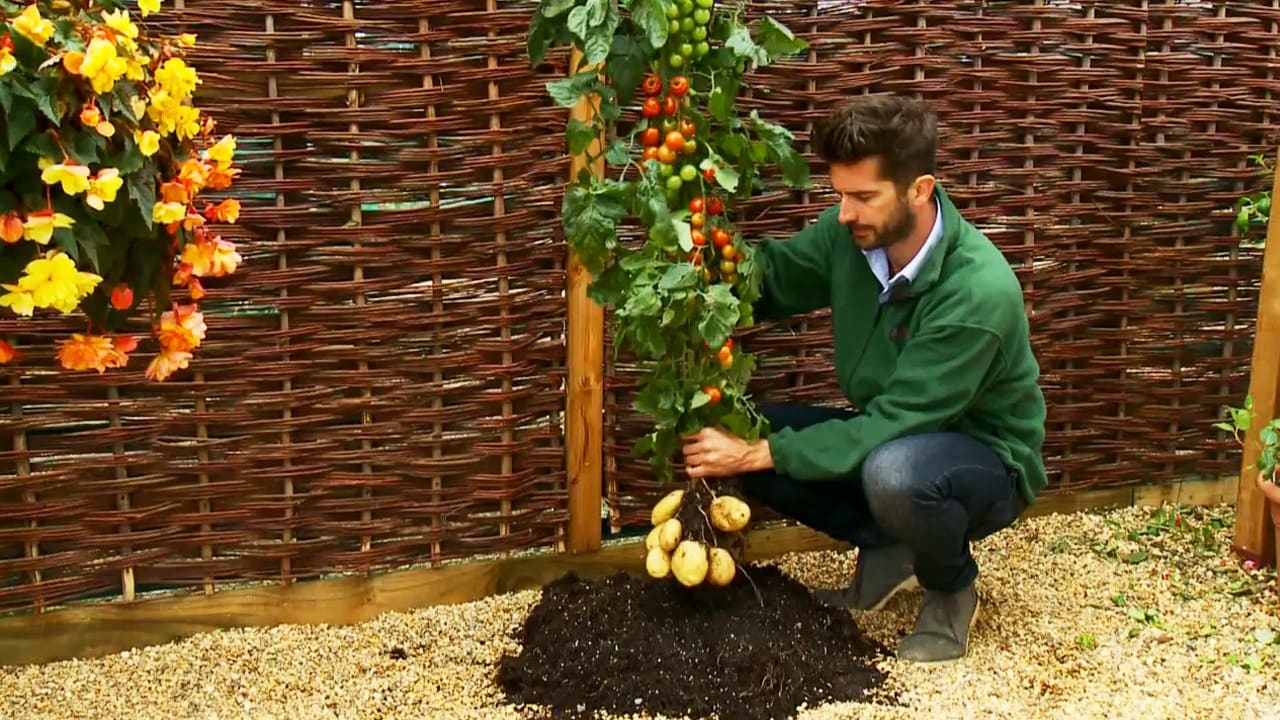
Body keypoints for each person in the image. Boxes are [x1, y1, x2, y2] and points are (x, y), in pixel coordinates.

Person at [679, 93, 1048, 664]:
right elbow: (771, 281)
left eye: (864, 197)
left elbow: (896, 423)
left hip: (984, 460)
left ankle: (951, 589)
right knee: (742, 433)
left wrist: (756, 454)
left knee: (891, 473)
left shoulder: (977, 294)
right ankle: (892, 549)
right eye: (840, 194)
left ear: (919, 190)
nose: (845, 212)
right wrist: (694, 255)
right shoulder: (850, 236)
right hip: (894, 432)